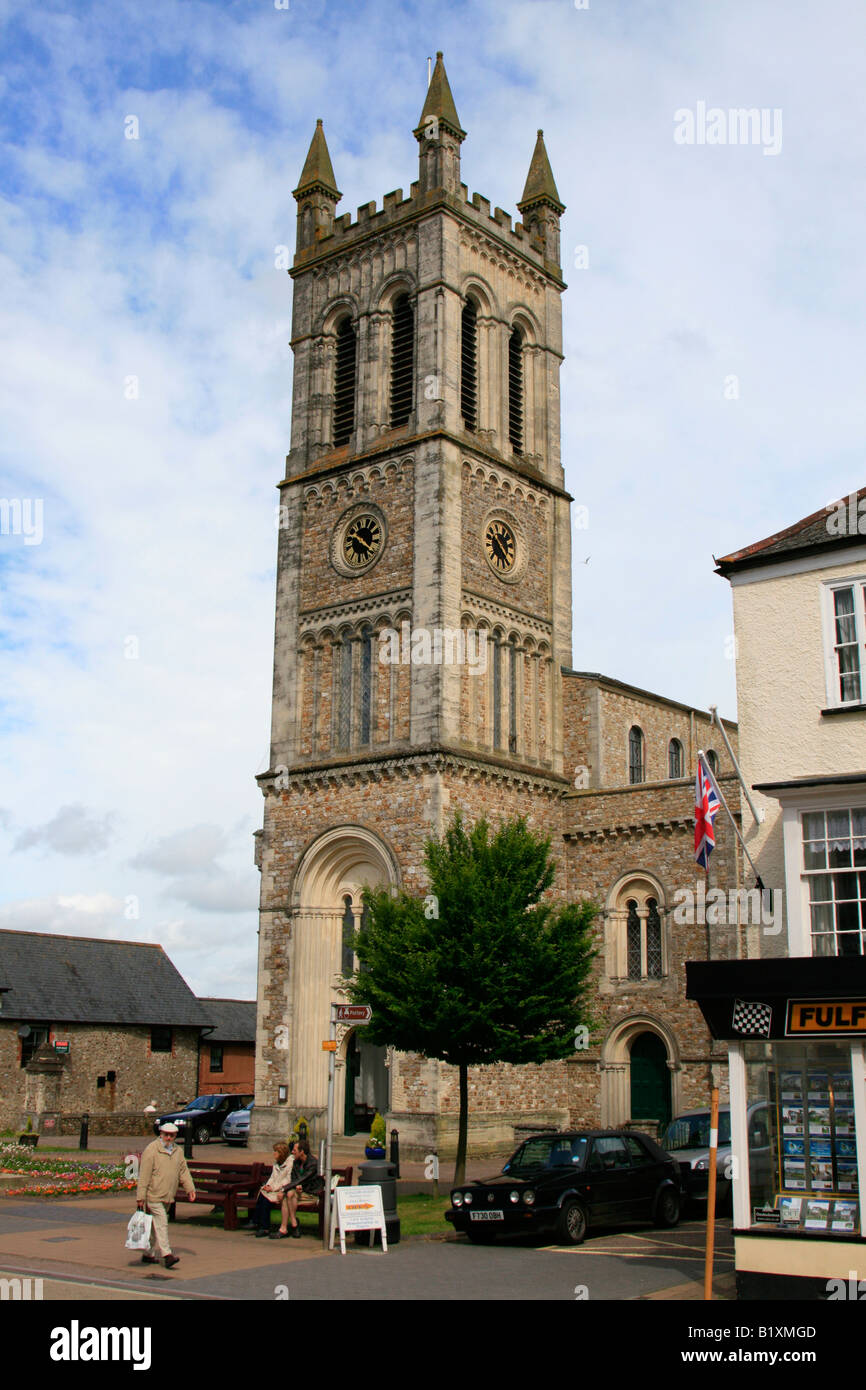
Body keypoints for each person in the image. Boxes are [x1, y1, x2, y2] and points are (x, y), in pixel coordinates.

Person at [136, 1121, 196, 1268]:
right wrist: (140, 1197)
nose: (168, 1138)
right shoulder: (152, 1150)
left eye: (171, 1136)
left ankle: (148, 1254)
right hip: (154, 1195)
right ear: (161, 1134)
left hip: (168, 1195)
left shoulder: (177, 1151)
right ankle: (167, 1255)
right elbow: (144, 1175)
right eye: (166, 1135)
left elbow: (183, 1171)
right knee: (162, 1223)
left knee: (154, 1226)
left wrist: (190, 1189)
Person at [251, 1143, 295, 1237]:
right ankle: (256, 1222)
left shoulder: (290, 1163)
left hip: (282, 1190)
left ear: (281, 1153)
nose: (274, 1153)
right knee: (262, 1195)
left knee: (266, 1201)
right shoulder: (276, 1163)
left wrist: (273, 1188)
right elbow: (272, 1177)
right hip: (273, 1189)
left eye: (276, 1151)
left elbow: (287, 1180)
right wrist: (268, 1185)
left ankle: (264, 1227)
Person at [280, 1138, 320, 1239]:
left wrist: (283, 1189)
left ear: (302, 1152)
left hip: (311, 1194)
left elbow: (304, 1178)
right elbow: (294, 1179)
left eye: (294, 1150)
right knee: (289, 1195)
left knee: (287, 1196)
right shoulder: (296, 1162)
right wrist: (297, 1186)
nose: (292, 1152)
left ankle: (289, 1226)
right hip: (300, 1192)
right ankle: (289, 1226)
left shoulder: (313, 1163)